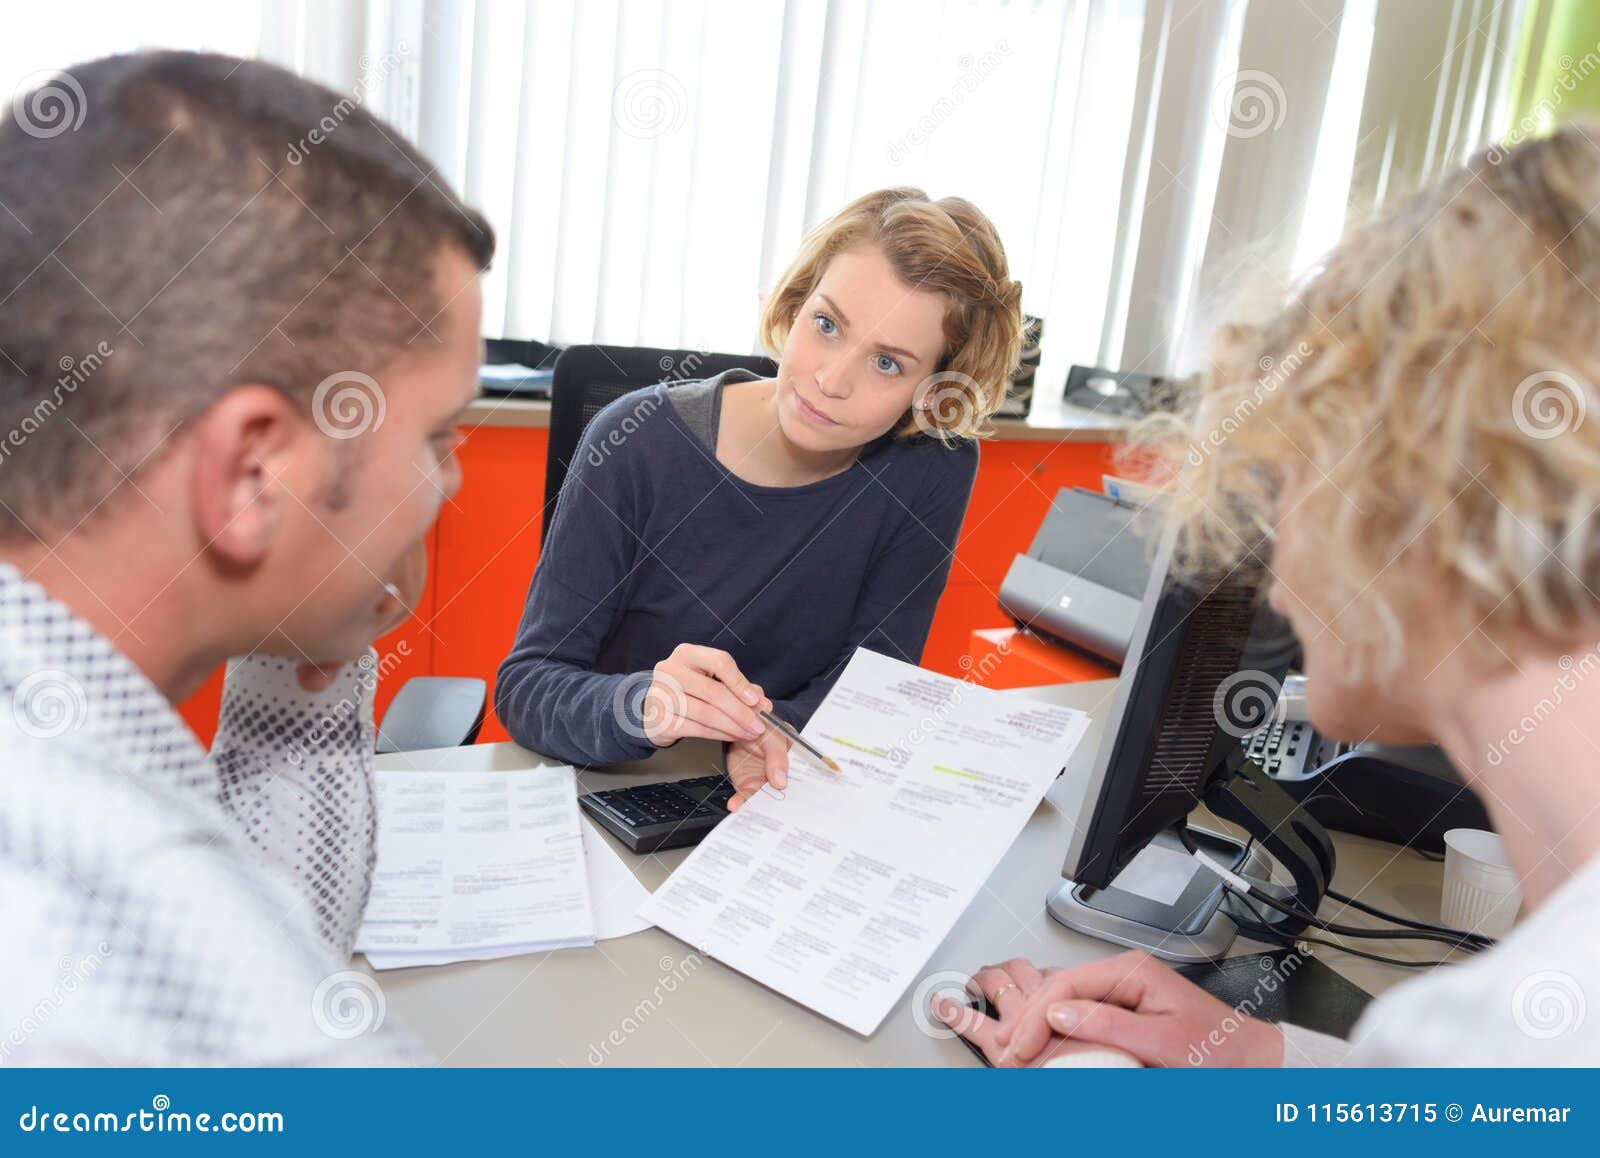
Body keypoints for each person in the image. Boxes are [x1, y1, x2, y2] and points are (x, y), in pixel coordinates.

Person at [943, 122, 1600, 1067]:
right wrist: (1255, 1056)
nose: (1278, 582)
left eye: (1283, 488)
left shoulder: (1493, 1040)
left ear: (1399, 497)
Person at [0, 51, 492, 1063]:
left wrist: (309, 621)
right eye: (437, 437)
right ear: (254, 471)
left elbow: (289, 932)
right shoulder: (144, 936)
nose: (447, 485)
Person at [496, 189, 1024, 810]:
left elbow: (874, 680)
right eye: (826, 325)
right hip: (607, 790)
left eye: (886, 362)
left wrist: (777, 731)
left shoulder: (930, 467)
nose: (831, 381)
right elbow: (527, 687)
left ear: (933, 391)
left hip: (780, 796)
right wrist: (644, 703)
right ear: (795, 305)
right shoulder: (634, 440)